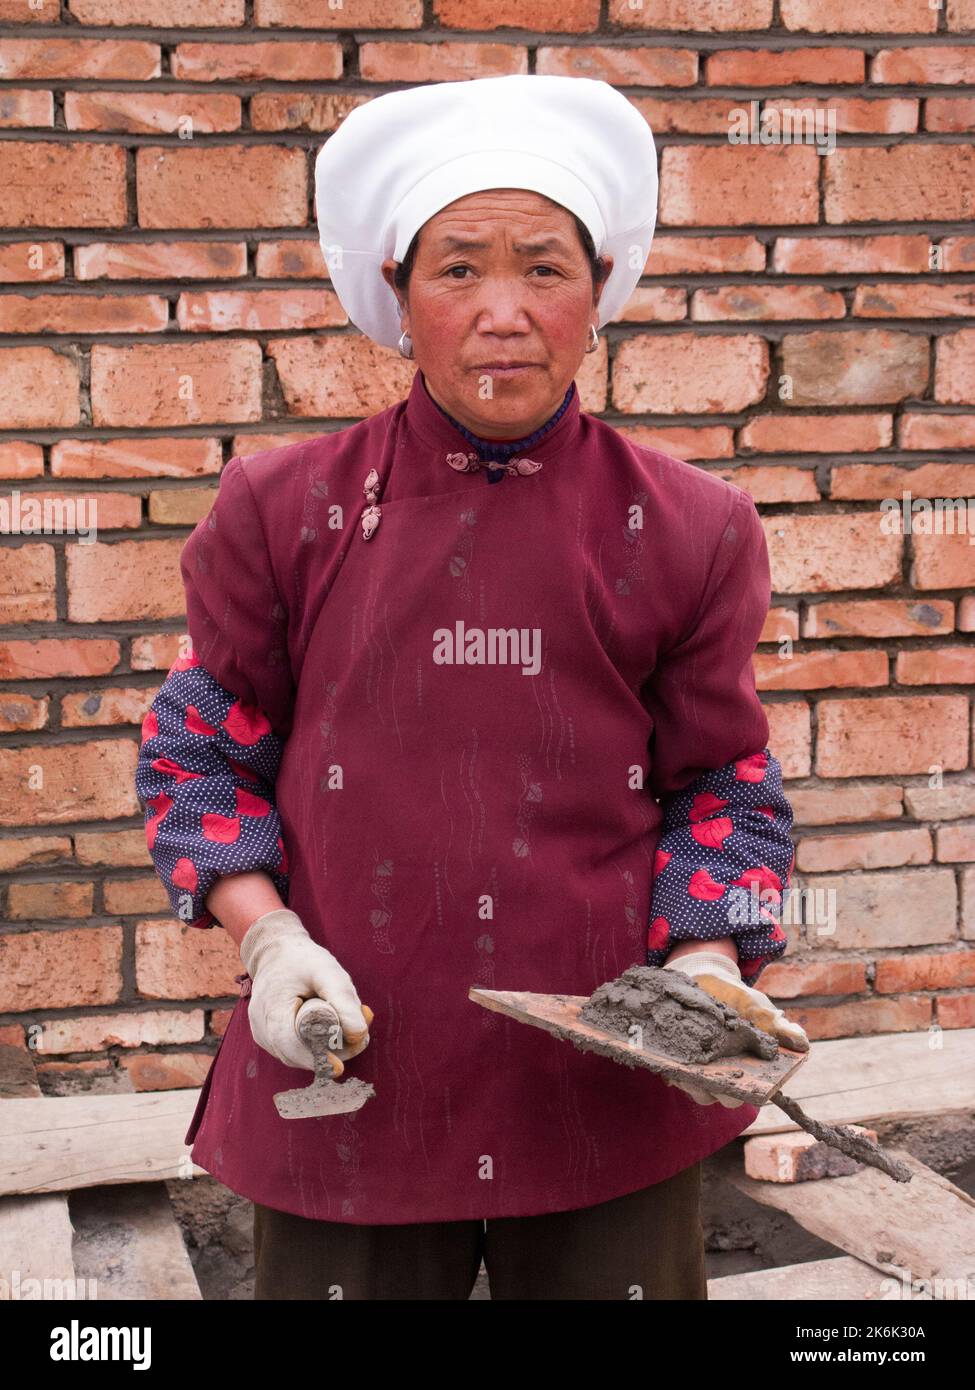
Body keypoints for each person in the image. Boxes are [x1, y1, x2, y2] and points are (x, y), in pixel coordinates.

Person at [136, 74, 808, 1301]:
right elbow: (197, 757)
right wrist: (270, 941)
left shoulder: (694, 526)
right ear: (397, 297)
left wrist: (708, 964)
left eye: (544, 267)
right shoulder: (282, 513)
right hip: (346, 1069)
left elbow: (724, 782)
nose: (503, 310)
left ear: (598, 293)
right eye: (457, 269)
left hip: (608, 1079)